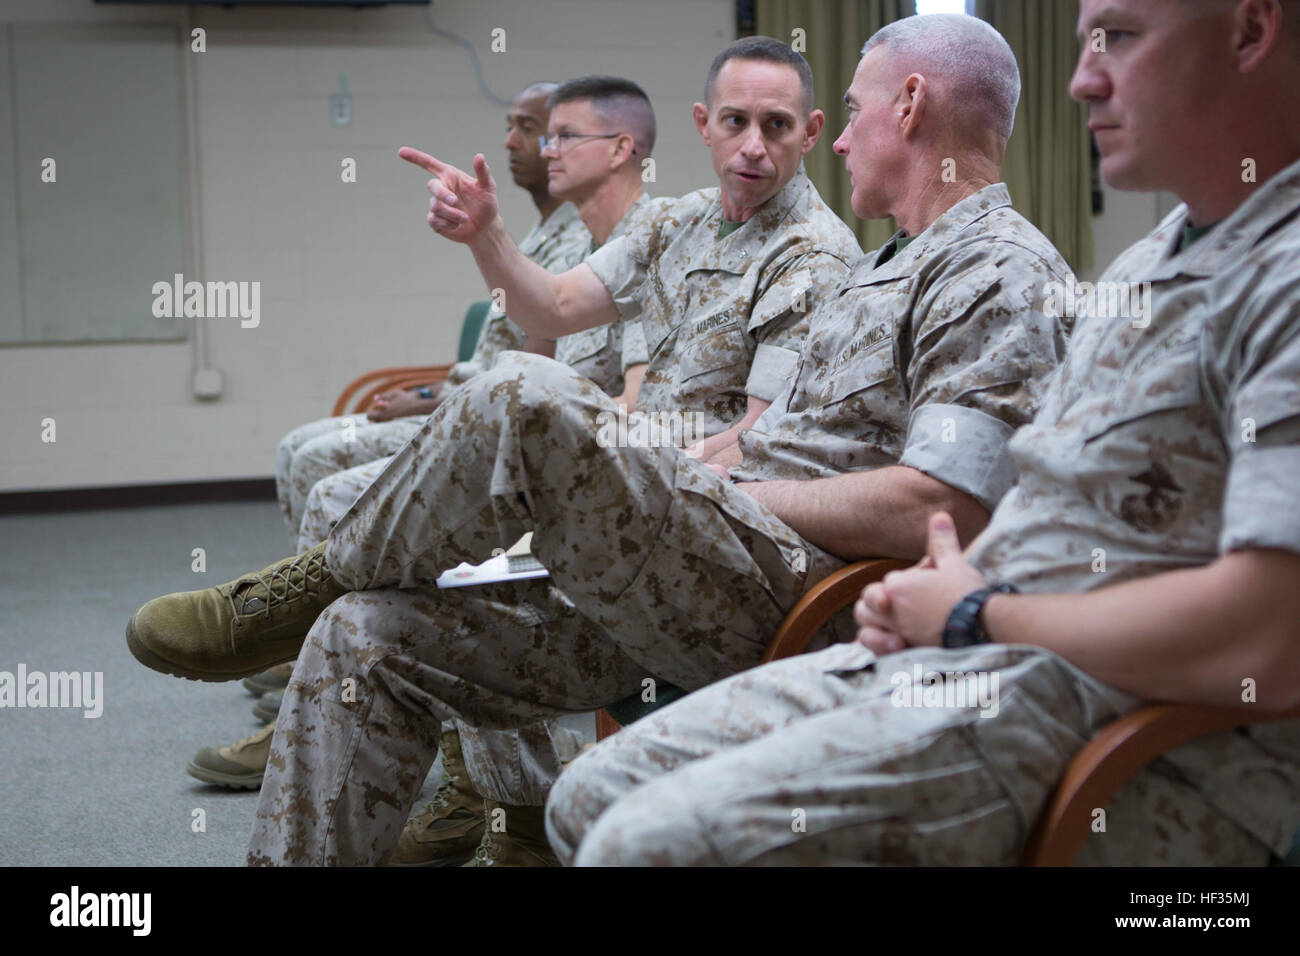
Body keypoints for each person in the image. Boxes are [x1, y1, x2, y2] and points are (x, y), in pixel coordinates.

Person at [125, 30, 1069, 866]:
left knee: (527, 395)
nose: (846, 137)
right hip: (707, 559)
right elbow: (768, 430)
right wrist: (708, 469)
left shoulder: (996, 267)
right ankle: (325, 608)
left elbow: (944, 508)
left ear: (909, 107)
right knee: (365, 639)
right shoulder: (886, 262)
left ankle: (312, 579)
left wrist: (728, 490)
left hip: (794, 592)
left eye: (851, 113)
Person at [548, 0, 1300, 867]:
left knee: (639, 846)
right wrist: (949, 592)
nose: (1081, 80)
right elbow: (1060, 505)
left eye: (1120, 38)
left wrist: (980, 611)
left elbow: (1270, 639)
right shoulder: (1153, 259)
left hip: (1114, 729)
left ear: (1250, 29)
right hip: (968, 652)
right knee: (588, 793)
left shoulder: (1268, 273)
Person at [272, 81, 592, 542]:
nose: (509, 140)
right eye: (509, 126)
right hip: (452, 400)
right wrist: (424, 393)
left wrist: (423, 402)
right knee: (293, 447)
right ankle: (313, 593)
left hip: (479, 417)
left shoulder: (581, 243)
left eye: (527, 127)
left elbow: (534, 376)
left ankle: (327, 599)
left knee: (314, 461)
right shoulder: (541, 234)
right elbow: (487, 363)